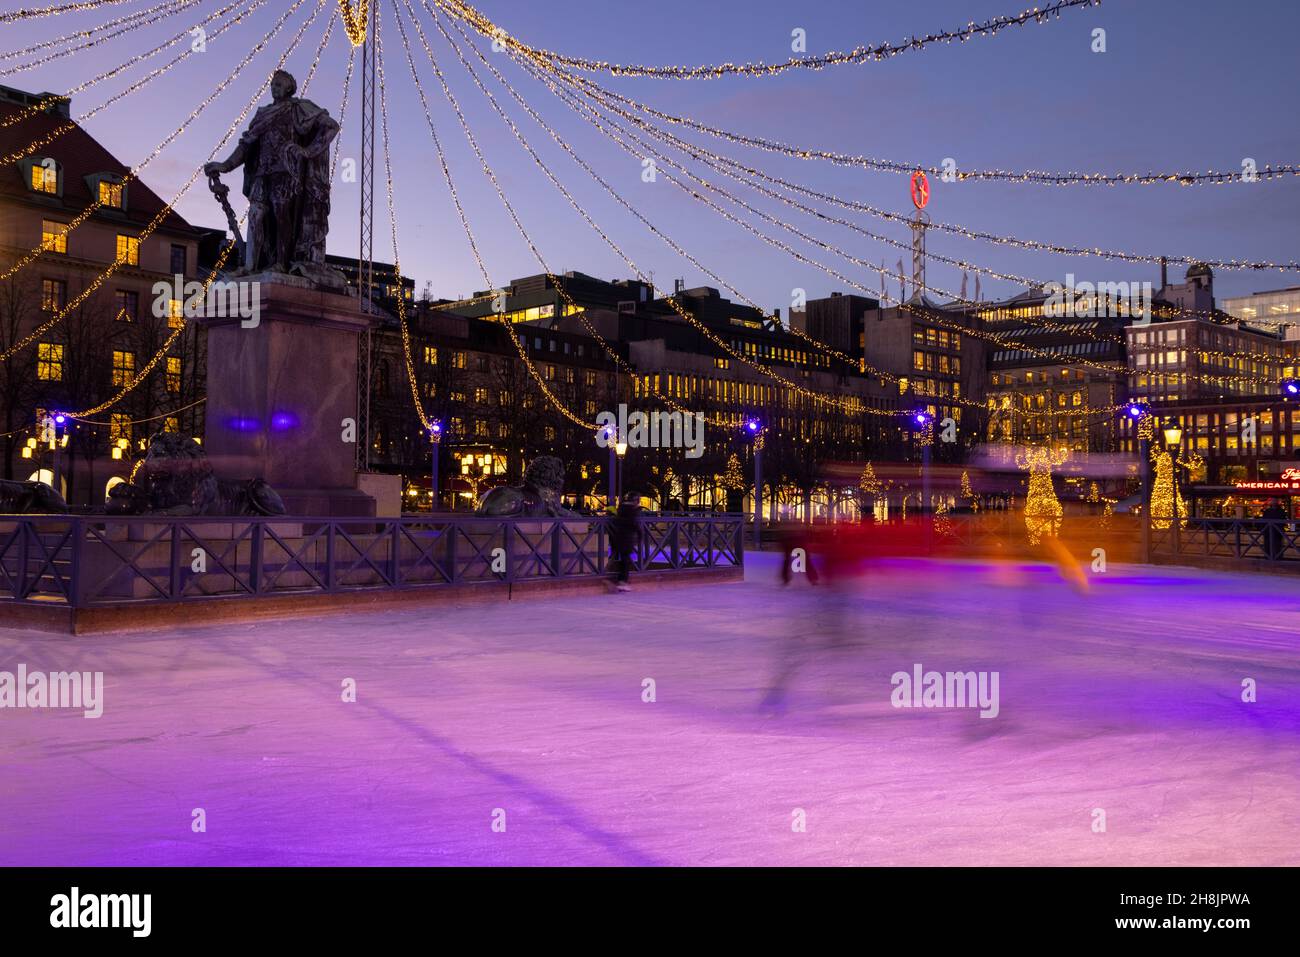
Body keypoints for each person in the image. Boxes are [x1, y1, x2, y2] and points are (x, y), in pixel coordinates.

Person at [609, 493, 642, 592]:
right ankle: (622, 581)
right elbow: (633, 524)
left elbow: (616, 519)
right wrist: (640, 535)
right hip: (627, 538)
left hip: (617, 537)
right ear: (635, 501)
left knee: (620, 558)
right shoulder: (632, 510)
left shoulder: (621, 508)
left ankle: (616, 578)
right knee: (625, 560)